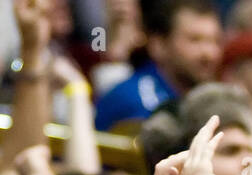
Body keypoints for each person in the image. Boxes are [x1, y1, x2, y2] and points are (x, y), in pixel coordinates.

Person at [94, 0, 222, 131]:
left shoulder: (212, 100)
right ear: (159, 46)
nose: (209, 53)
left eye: (214, 41)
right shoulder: (137, 103)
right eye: (195, 40)